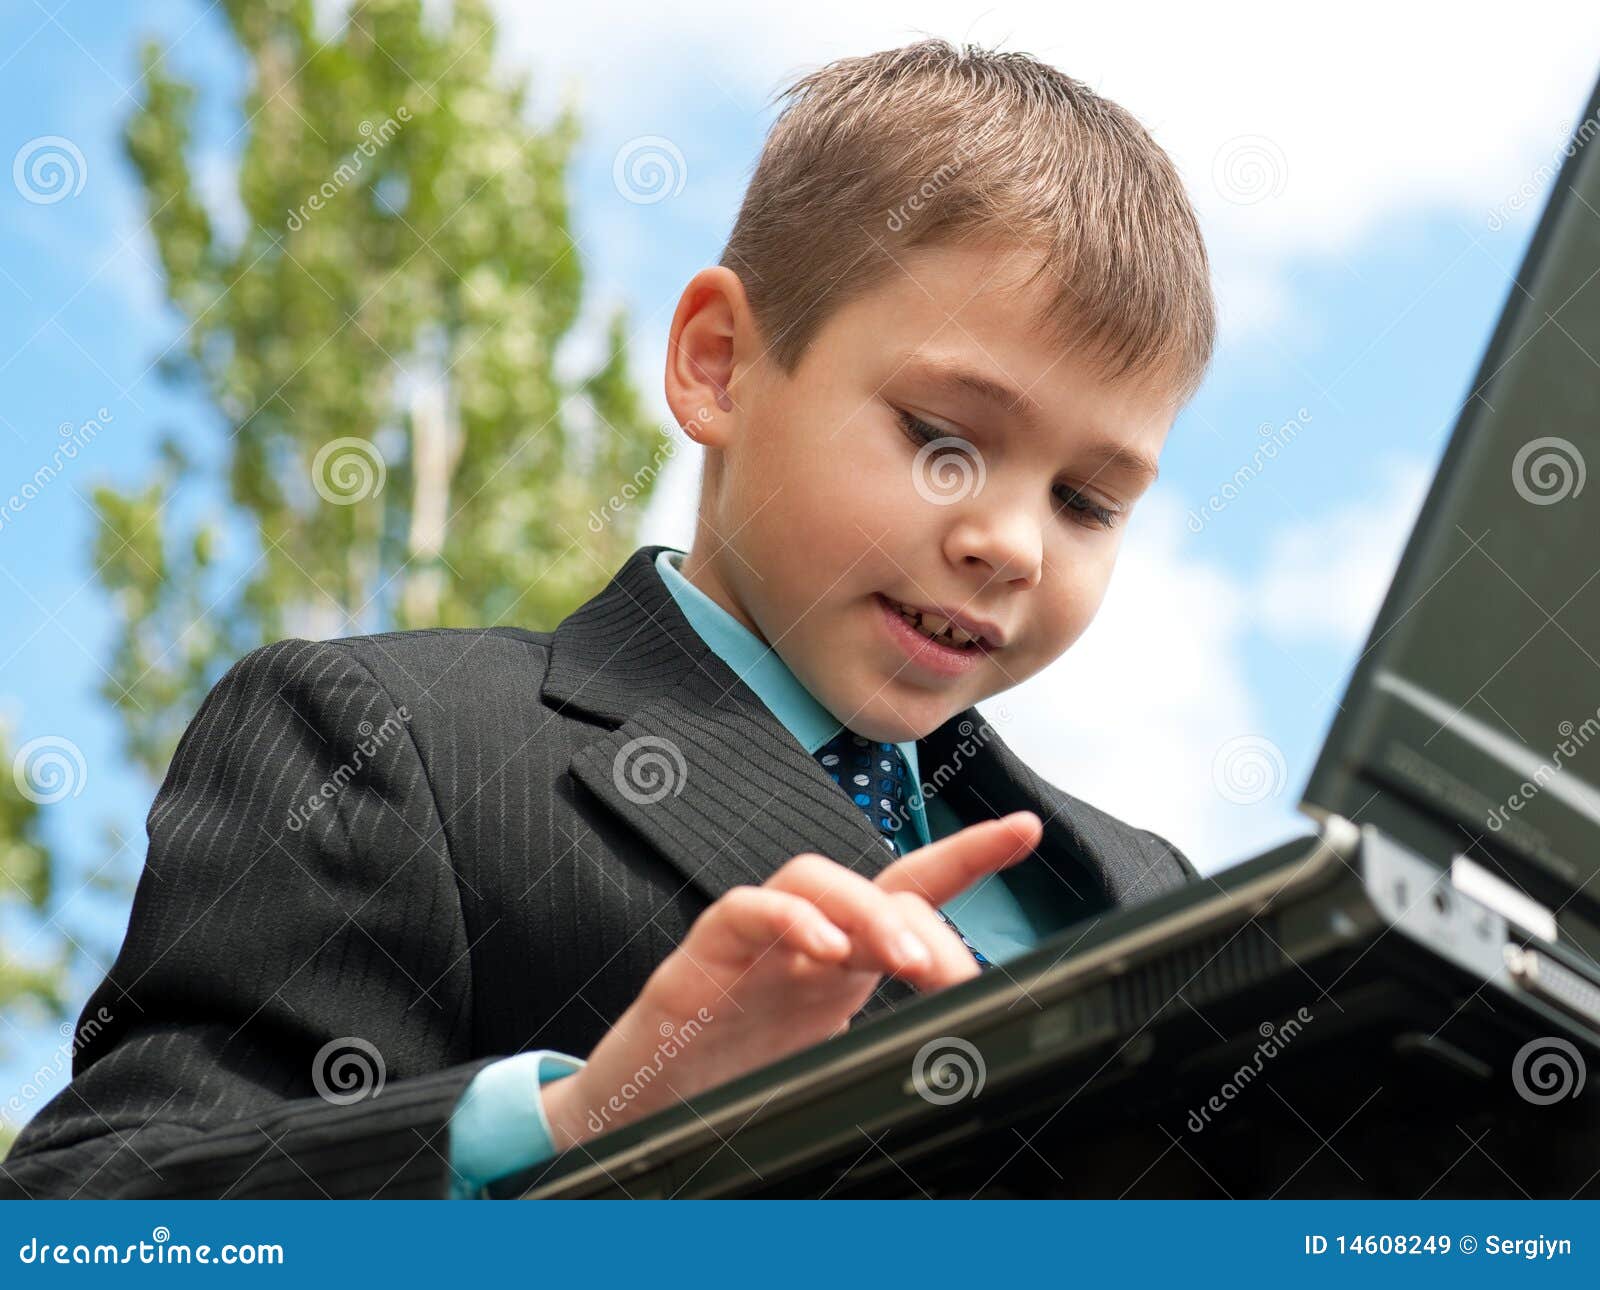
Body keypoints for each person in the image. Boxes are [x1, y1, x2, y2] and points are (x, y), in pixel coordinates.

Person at [1, 37, 1214, 1199]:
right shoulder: (396, 747)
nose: (1011, 544)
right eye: (942, 442)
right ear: (718, 363)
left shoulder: (1153, 890)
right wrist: (570, 1134)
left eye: (1086, 502)